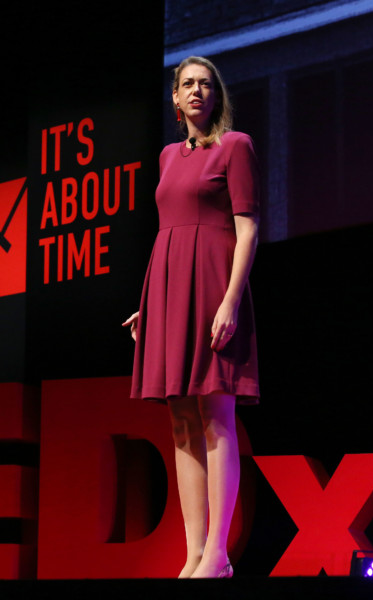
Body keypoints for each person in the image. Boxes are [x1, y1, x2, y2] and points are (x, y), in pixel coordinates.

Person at [122, 56, 259, 579]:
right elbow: (170, 235)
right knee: (180, 421)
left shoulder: (236, 146)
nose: (197, 91)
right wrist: (150, 304)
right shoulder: (166, 156)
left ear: (216, 95)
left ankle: (220, 554)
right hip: (168, 290)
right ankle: (193, 553)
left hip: (212, 287)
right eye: (187, 84)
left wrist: (229, 301)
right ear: (175, 100)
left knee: (214, 415)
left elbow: (246, 231)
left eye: (206, 84)